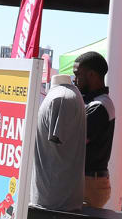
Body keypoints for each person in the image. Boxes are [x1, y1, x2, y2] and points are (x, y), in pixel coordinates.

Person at [32, 73, 86, 211]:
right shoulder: (68, 95)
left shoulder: (61, 98)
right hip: (54, 196)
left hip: (54, 200)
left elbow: (57, 140)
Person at [73, 51, 115, 208]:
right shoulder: (96, 103)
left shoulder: (99, 106)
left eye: (77, 74)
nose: (74, 80)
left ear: (91, 75)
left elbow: (73, 141)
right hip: (90, 181)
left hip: (90, 183)